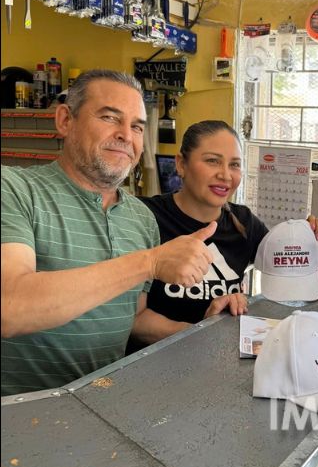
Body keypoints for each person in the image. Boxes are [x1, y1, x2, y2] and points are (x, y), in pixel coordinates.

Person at [1, 70, 216, 395]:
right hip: (22, 418)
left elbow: (134, 316)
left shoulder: (141, 218)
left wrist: (202, 330)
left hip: (105, 407)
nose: (125, 136)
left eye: (137, 127)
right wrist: (149, 263)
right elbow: (10, 307)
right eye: (109, 118)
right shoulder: (15, 190)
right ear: (64, 120)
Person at [136, 120, 318, 343]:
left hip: (221, 354)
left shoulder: (245, 222)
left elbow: (288, 273)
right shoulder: (145, 217)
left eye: (234, 165)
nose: (225, 175)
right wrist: (200, 329)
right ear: (181, 164)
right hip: (156, 363)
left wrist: (314, 252)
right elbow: (135, 322)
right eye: (212, 161)